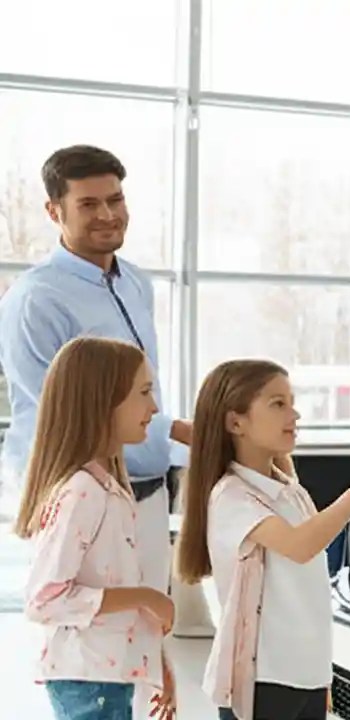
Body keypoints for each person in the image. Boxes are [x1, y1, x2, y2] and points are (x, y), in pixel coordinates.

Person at [0, 145, 194, 606]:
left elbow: (138, 391)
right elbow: (60, 413)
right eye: (88, 204)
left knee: (146, 638)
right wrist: (176, 430)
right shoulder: (37, 299)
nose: (108, 214)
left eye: (116, 199)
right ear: (54, 210)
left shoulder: (136, 283)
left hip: (143, 489)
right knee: (87, 642)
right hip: (76, 496)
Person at [174, 359, 350, 720]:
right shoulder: (232, 496)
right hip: (263, 679)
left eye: (292, 402)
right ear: (236, 422)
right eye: (278, 404)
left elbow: (309, 555)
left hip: (303, 674)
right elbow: (300, 545)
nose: (294, 414)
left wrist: (320, 677)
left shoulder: (287, 489)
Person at [15, 336, 177, 720]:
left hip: (106, 674)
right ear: (102, 402)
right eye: (143, 392)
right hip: (90, 679)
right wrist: (145, 597)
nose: (154, 407)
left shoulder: (105, 488)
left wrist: (156, 665)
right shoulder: (83, 493)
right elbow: (45, 599)